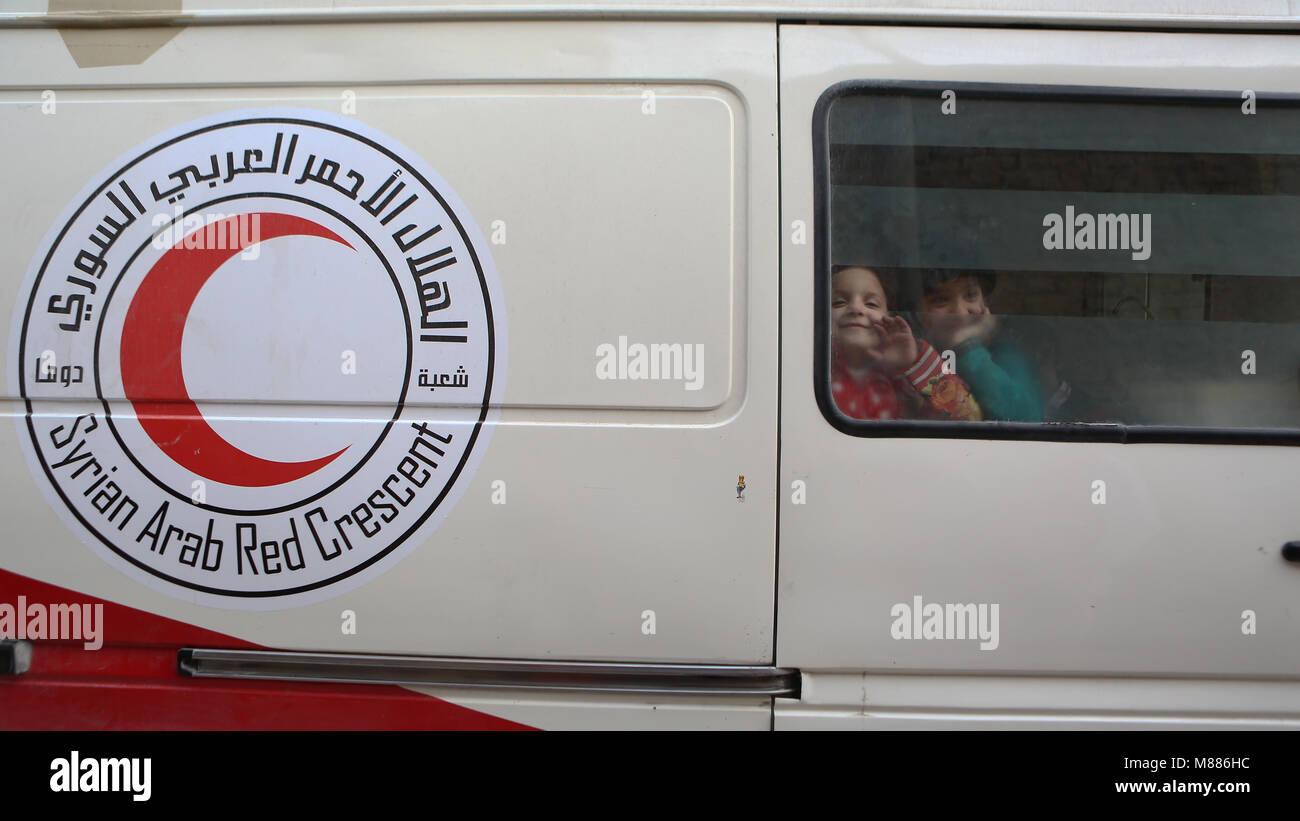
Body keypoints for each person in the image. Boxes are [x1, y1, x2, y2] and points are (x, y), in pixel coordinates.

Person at [830, 265, 982, 421]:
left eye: (871, 304)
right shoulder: (811, 365)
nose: (856, 308)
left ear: (889, 316)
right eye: (838, 302)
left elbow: (969, 417)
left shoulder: (906, 379)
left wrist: (913, 361)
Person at [915, 270, 1042, 422]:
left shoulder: (1004, 356)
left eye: (970, 295)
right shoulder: (908, 360)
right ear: (919, 314)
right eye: (941, 299)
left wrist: (965, 347)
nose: (960, 312)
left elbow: (1026, 419)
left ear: (984, 304)